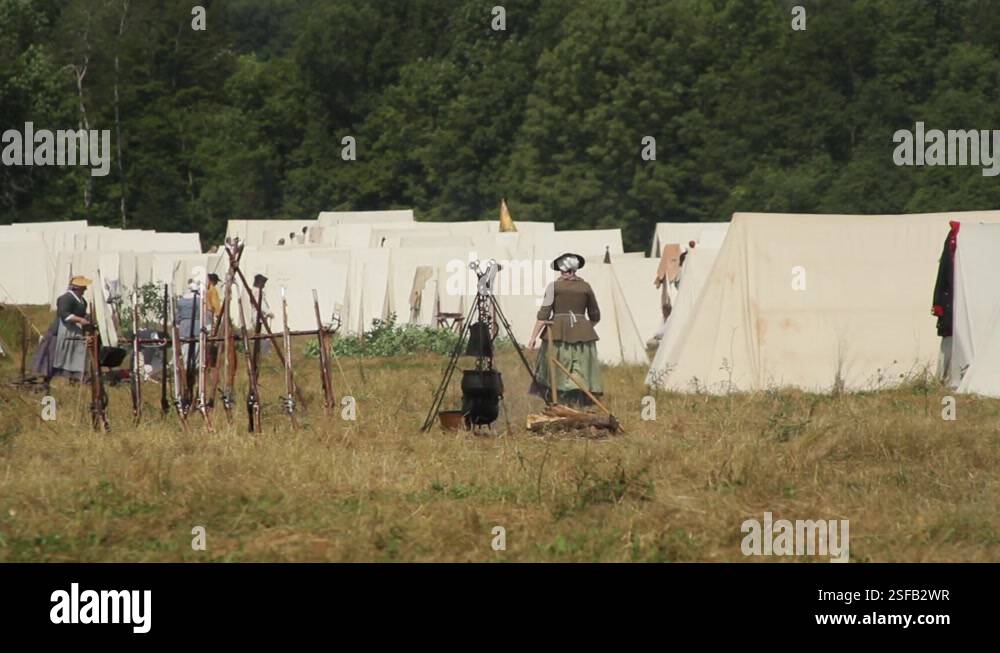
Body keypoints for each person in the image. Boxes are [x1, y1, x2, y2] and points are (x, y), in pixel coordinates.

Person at [527, 253, 604, 407]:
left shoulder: (553, 287)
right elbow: (595, 316)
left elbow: (543, 315)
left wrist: (533, 338)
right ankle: (577, 405)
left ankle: (561, 404)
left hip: (557, 336)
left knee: (557, 373)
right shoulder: (586, 287)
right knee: (580, 371)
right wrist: (582, 328)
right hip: (583, 337)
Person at [31, 276, 93, 387]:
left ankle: (75, 378)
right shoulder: (65, 298)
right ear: (77, 287)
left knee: (76, 353)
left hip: (74, 331)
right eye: (83, 287)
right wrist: (79, 320)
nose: (85, 289)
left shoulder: (82, 301)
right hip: (61, 331)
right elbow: (64, 314)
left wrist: (86, 318)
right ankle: (46, 379)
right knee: (54, 355)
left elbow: (82, 313)